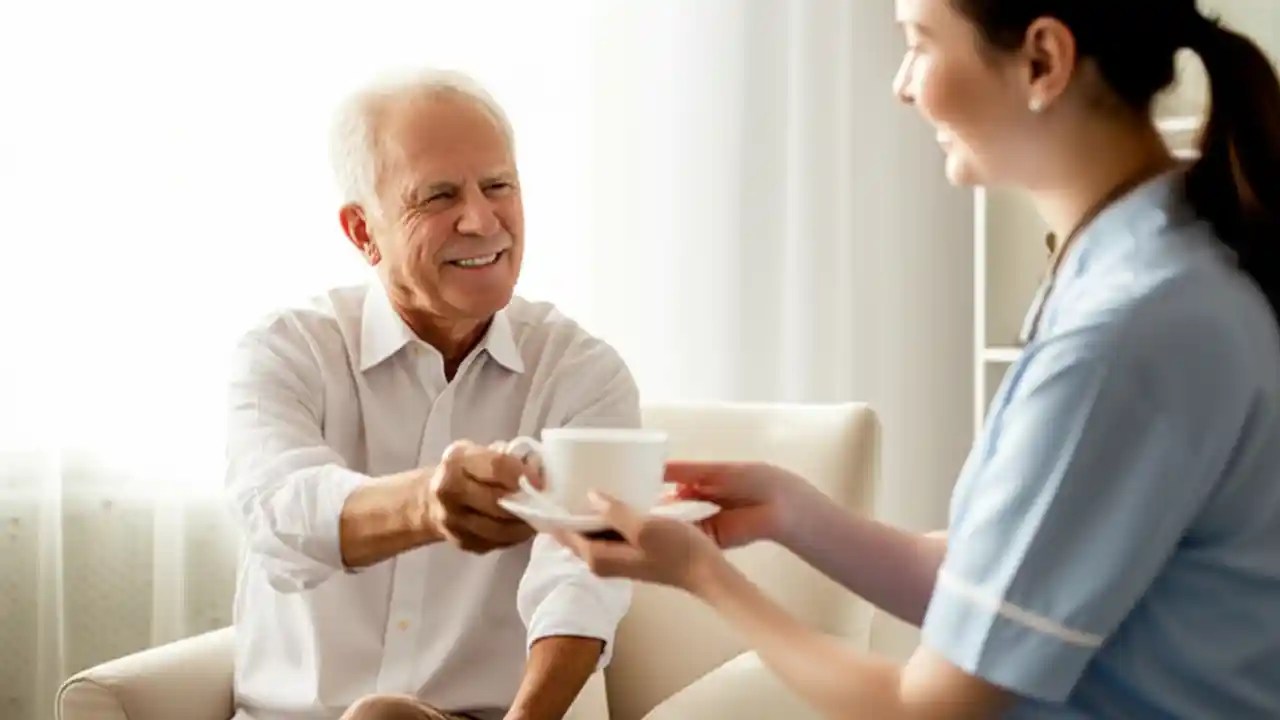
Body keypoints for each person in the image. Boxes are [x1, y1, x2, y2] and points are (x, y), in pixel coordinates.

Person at [558, 0, 1280, 717]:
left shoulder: (1124, 333)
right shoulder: (1148, 269)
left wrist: (703, 577)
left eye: (921, 43)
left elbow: (931, 708)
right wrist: (791, 511)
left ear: (1042, 61)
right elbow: (1003, 590)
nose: (903, 84)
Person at [225, 69, 635, 720]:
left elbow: (584, 582)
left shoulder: (583, 373)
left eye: (498, 186)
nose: (480, 219)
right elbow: (279, 514)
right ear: (363, 232)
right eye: (439, 197)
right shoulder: (286, 352)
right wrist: (426, 505)